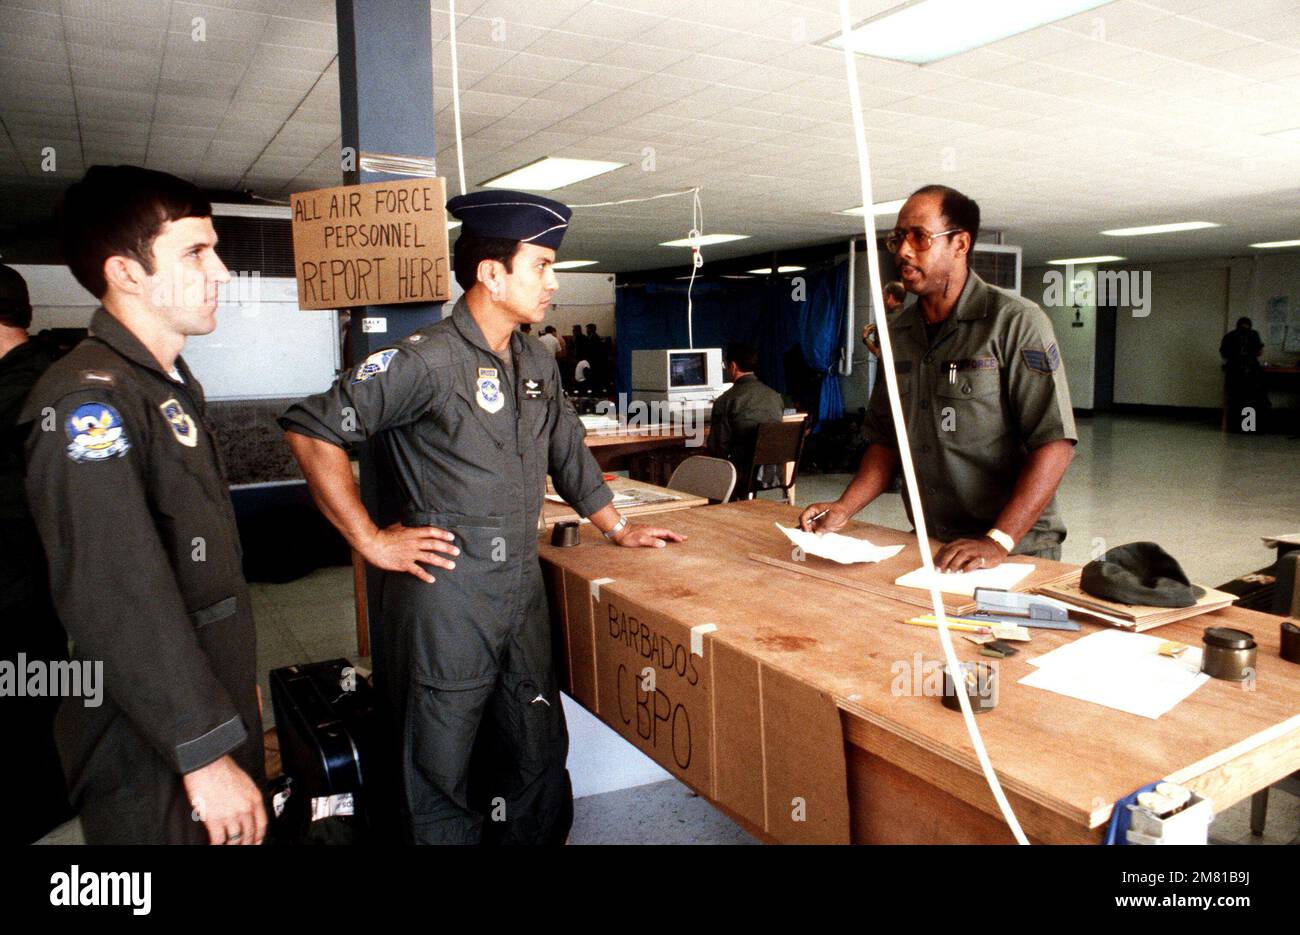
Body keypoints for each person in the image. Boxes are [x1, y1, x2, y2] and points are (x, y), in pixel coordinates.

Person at [279, 188, 684, 845]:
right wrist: (371, 539)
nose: (554, 282)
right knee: (438, 761)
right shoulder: (425, 359)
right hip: (447, 595)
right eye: (543, 266)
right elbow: (311, 429)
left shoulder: (533, 359)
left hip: (518, 586)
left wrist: (617, 526)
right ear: (491, 274)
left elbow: (567, 448)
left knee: (535, 740)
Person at [20, 165, 267, 845]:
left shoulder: (165, 383)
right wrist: (204, 752)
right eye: (195, 252)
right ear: (125, 272)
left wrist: (233, 689)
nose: (220, 272)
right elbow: (113, 595)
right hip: (152, 741)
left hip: (202, 699)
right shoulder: (88, 400)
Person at [800, 184, 1076, 570]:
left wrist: (997, 542)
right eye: (898, 238)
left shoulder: (1014, 321)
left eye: (919, 237)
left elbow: (1055, 443)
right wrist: (844, 508)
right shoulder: (897, 332)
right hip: (934, 542)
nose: (903, 251)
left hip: (1014, 549)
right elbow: (886, 440)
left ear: (960, 244)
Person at [0, 264, 74, 843]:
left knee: (29, 710)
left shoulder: (35, 388)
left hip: (23, 592)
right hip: (27, 589)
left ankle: (42, 809)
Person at [707, 341, 784, 489]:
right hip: (771, 472)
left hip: (740, 474)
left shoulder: (725, 401)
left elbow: (718, 449)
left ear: (733, 366)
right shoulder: (775, 396)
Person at [1219, 316, 1267, 431]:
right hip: (1251, 371)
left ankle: (1235, 426)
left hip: (1234, 371)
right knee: (1252, 399)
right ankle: (1250, 426)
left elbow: (1223, 354)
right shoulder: (1253, 334)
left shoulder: (1230, 336)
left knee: (1235, 399)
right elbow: (1259, 352)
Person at [862, 280, 906, 359]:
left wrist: (865, 338)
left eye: (883, 295)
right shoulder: (909, 315)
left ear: (890, 297)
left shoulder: (886, 320)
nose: (881, 299)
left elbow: (879, 353)